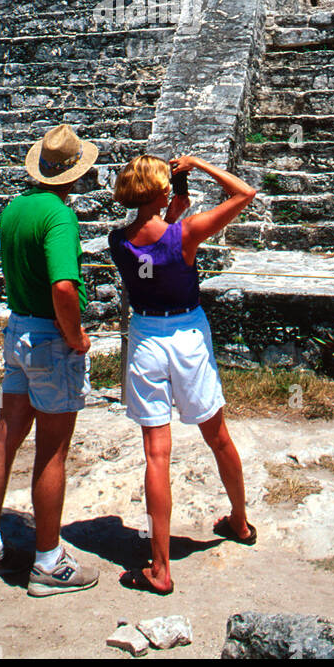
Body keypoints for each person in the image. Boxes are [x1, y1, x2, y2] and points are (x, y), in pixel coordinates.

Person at [108, 153, 257, 595]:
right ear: (160, 192)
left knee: (157, 453)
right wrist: (200, 164)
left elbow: (153, 239)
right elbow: (244, 192)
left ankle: (159, 566)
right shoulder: (185, 235)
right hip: (187, 335)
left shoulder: (118, 241)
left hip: (146, 337)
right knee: (217, 435)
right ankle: (240, 521)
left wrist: (166, 205)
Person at [0, 124, 100, 597]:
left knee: (5, 435)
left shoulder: (15, 208)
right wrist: (76, 336)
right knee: (52, 450)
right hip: (49, 338)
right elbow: (63, 286)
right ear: (74, 172)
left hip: (17, 328)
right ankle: (48, 562)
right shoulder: (60, 217)